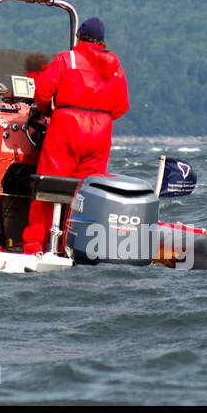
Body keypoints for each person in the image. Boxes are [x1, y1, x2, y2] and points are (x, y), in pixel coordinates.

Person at [22, 18, 129, 254]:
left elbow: (42, 92)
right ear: (102, 41)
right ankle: (72, 247)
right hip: (100, 131)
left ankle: (34, 248)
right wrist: (100, 117)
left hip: (66, 127)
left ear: (79, 37)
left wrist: (49, 111)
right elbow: (122, 106)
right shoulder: (115, 66)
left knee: (49, 186)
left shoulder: (66, 59)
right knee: (85, 194)